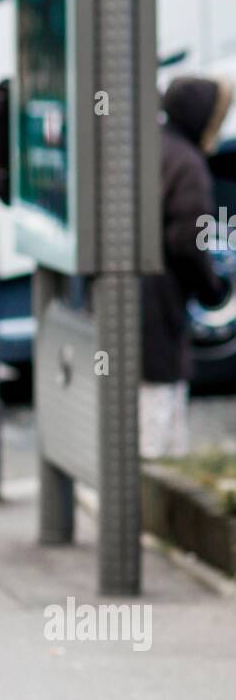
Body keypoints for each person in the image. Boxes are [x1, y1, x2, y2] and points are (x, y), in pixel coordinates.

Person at [140, 74, 233, 458]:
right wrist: (211, 288)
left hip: (131, 295)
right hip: (161, 300)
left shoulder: (150, 147)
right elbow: (188, 242)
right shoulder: (188, 164)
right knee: (160, 409)